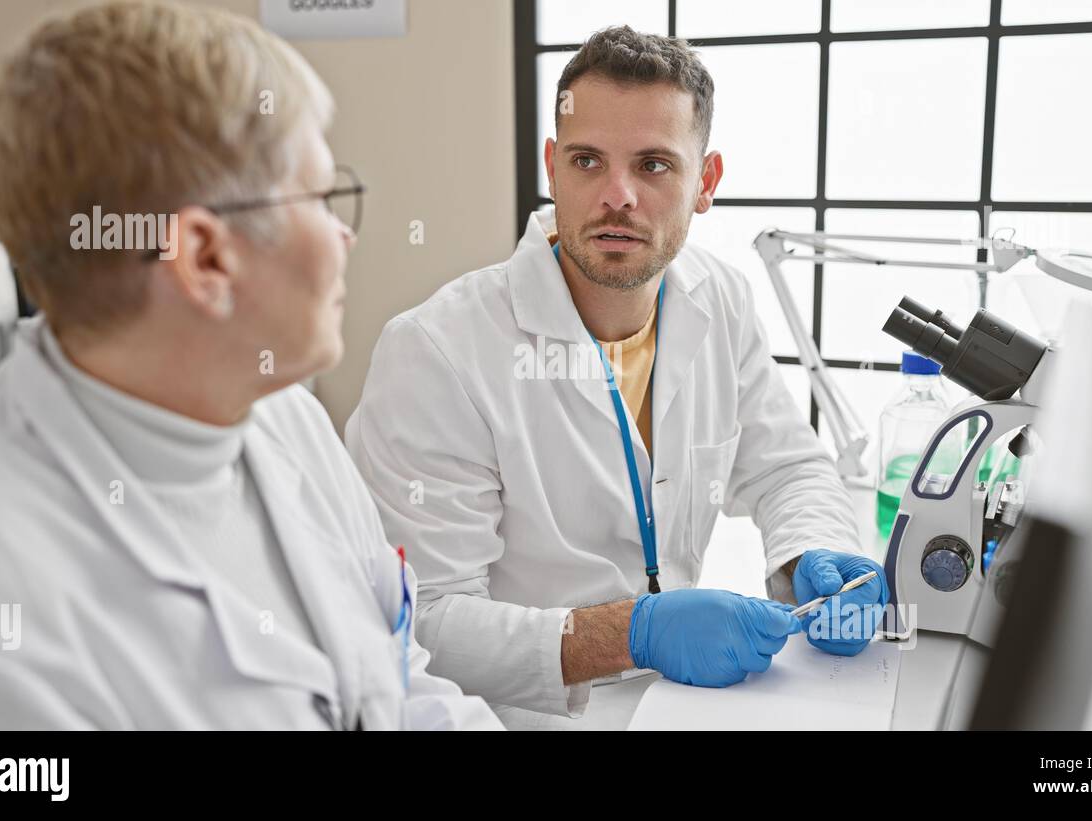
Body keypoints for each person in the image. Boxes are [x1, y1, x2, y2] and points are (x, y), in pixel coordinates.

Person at [0, 0, 499, 730]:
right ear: (204, 257)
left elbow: (399, 680)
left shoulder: (280, 410)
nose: (344, 237)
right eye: (321, 196)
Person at [346, 26, 888, 730]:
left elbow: (787, 466)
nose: (617, 195)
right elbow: (421, 624)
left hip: (686, 701)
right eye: (587, 160)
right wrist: (629, 633)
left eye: (655, 165)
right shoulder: (436, 352)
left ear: (707, 182)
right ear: (552, 167)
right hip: (517, 718)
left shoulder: (716, 297)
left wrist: (816, 547)